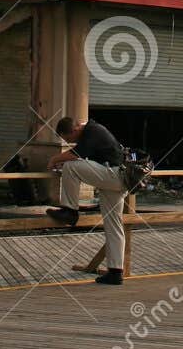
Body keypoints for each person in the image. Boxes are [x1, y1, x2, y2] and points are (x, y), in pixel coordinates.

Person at [47, 116, 128, 285]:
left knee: (70, 166)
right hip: (117, 179)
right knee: (113, 225)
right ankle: (115, 272)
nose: (70, 142)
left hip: (113, 174)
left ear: (75, 130)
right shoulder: (92, 132)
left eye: (69, 138)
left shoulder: (93, 130)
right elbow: (82, 156)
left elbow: (76, 154)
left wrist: (54, 159)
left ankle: (70, 211)